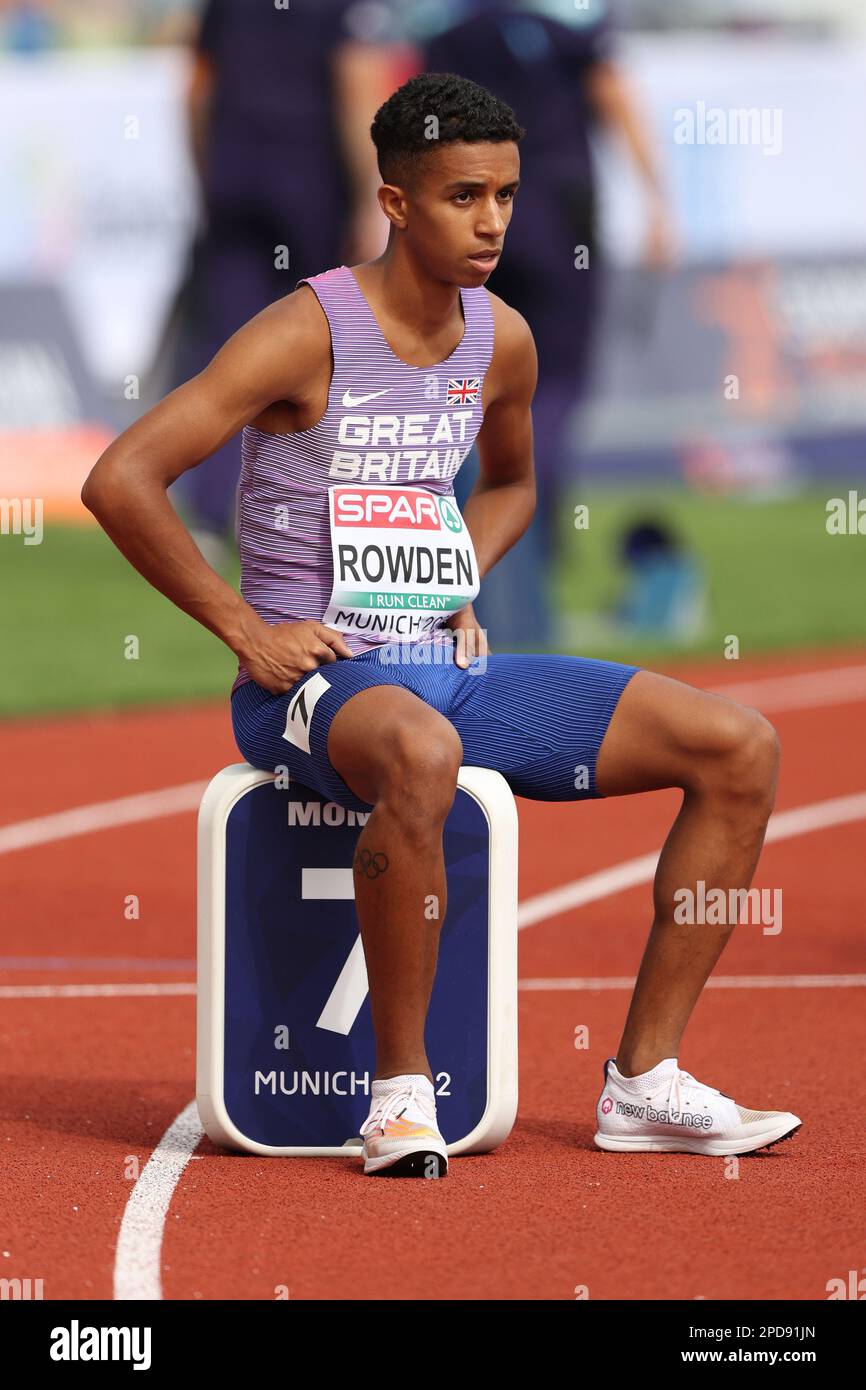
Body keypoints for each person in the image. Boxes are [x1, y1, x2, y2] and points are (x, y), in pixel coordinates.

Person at [81, 72, 800, 1179]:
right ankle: (400, 1095)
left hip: (444, 663)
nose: (494, 221)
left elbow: (510, 482)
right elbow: (122, 477)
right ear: (396, 203)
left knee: (736, 744)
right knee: (421, 752)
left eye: (506, 194)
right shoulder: (300, 332)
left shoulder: (500, 338)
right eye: (464, 195)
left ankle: (642, 1080)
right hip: (309, 687)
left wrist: (459, 562)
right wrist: (245, 630)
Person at [417, 0, 676, 648]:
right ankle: (527, 543)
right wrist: (656, 197)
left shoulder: (447, 28)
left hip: (472, 217)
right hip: (560, 218)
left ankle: (468, 570)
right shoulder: (572, 18)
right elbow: (612, 92)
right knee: (550, 390)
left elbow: (416, 124)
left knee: (466, 392)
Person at [169, 0, 397, 571]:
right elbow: (355, 92)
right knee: (329, 345)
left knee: (225, 351)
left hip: (235, 183)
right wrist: (371, 200)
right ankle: (324, 508)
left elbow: (197, 91)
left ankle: (206, 514)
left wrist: (207, 178)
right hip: (309, 187)